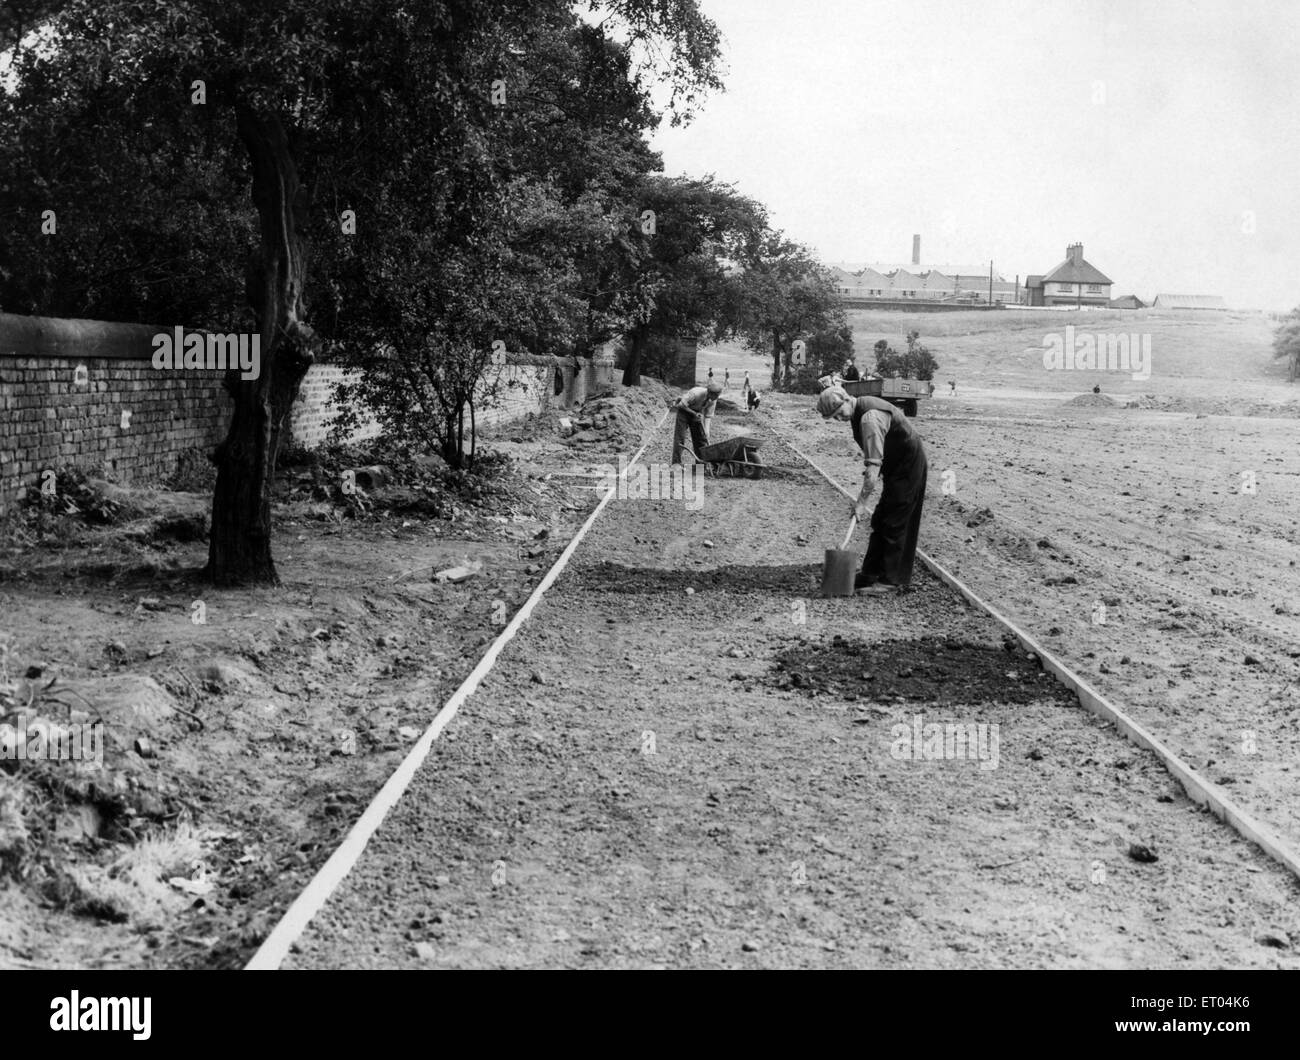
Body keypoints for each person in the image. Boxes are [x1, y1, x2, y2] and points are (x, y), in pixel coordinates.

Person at [817, 385, 927, 593]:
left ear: (847, 400)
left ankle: (889, 580)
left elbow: (873, 469)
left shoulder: (869, 419)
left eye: (839, 413)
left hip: (907, 465)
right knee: (880, 519)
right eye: (834, 417)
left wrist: (860, 503)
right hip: (894, 464)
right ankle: (871, 573)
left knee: (894, 521)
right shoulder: (858, 411)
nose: (839, 419)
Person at [672, 380, 722, 464]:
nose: (715, 398)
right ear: (709, 392)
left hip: (697, 414)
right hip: (684, 412)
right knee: (680, 438)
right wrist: (694, 413)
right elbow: (681, 405)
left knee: (700, 439)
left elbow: (708, 416)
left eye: (717, 396)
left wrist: (706, 431)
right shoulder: (695, 393)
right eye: (714, 396)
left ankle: (700, 465)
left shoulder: (713, 399)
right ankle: (676, 463)